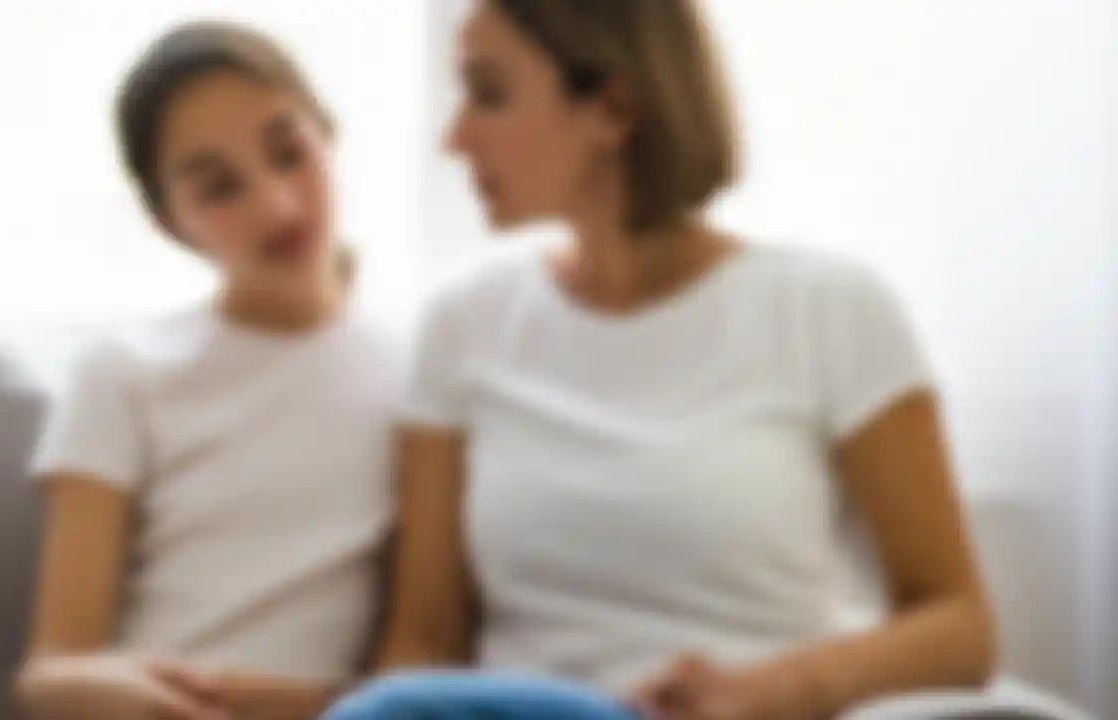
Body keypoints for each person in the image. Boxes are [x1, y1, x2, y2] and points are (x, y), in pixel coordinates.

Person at [345, 1, 997, 719]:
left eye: (489, 94)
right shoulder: (464, 323)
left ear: (614, 107)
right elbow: (425, 642)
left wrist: (769, 693)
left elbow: (958, 625)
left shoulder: (826, 306)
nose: (454, 138)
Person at [14, 21, 401, 720]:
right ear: (170, 223)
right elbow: (52, 673)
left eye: (289, 153)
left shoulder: (412, 381)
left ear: (328, 133)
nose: (276, 203)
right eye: (220, 188)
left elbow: (418, 666)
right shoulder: (123, 372)